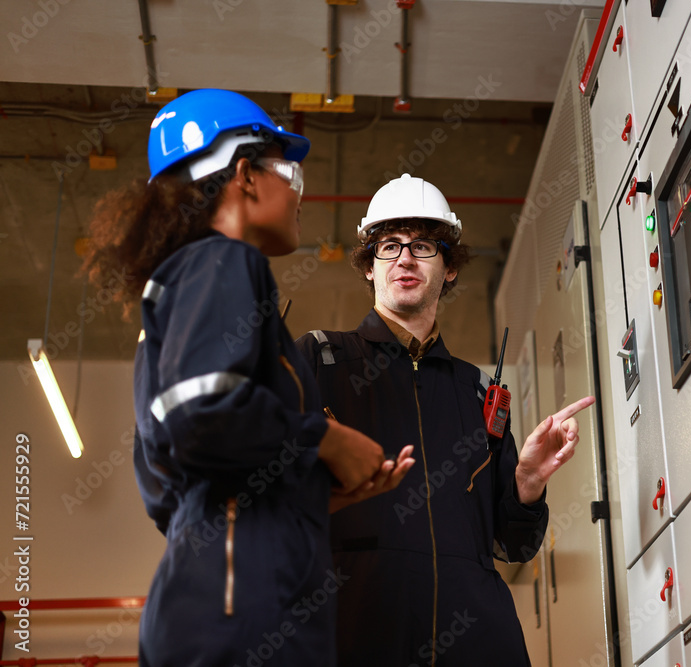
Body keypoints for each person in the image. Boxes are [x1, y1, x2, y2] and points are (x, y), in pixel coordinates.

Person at [82, 89, 399, 666]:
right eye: (289, 169)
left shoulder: (179, 297)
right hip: (243, 605)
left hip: (216, 599)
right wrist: (327, 438)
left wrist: (312, 493)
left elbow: (179, 492)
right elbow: (201, 418)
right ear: (246, 174)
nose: (300, 192)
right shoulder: (223, 261)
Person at [295, 174, 595, 666]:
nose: (405, 259)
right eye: (389, 246)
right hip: (357, 640)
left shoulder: (476, 390)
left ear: (450, 268)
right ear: (370, 267)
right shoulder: (319, 361)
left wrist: (526, 484)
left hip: (477, 645)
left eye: (423, 245)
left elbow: (512, 544)